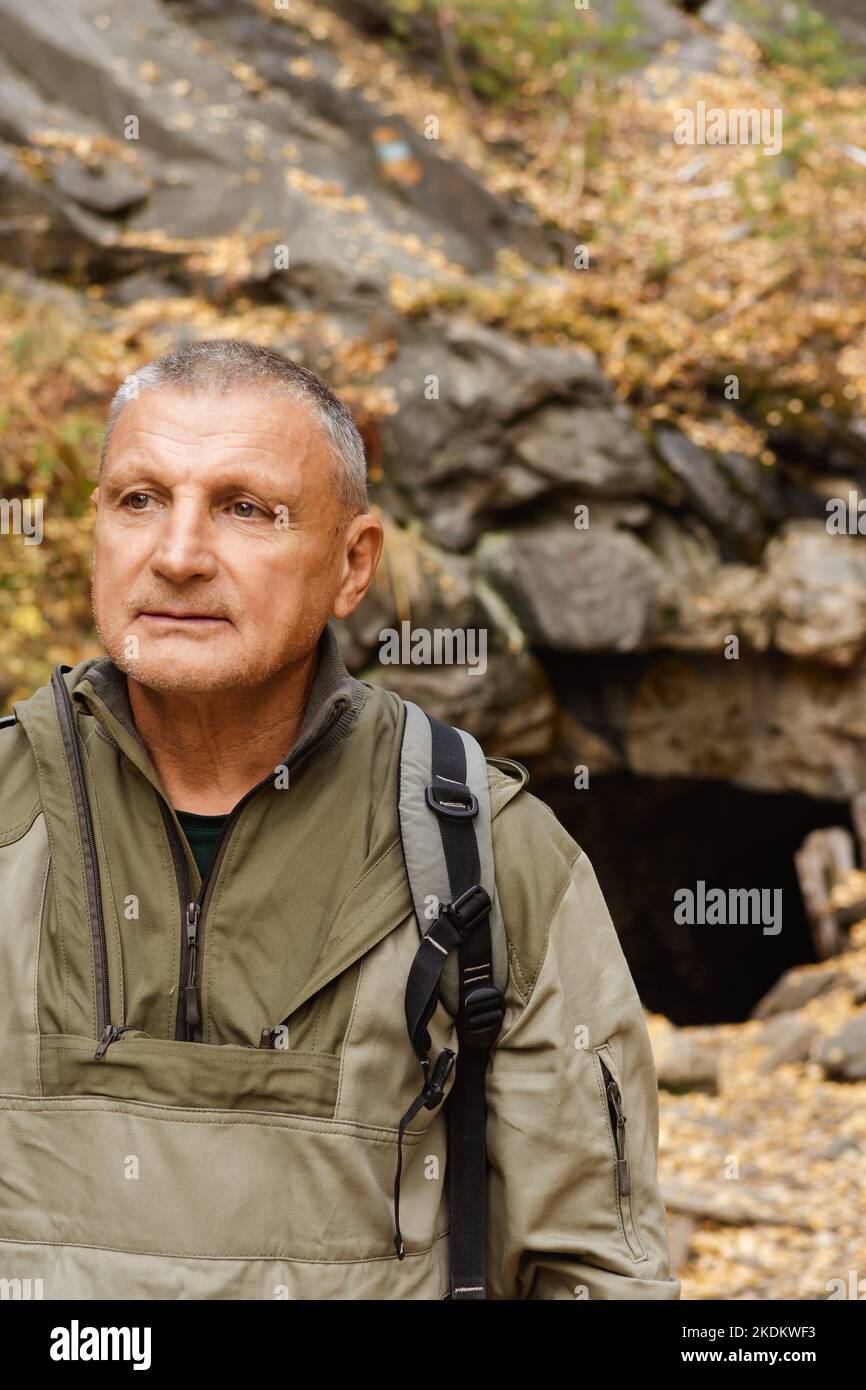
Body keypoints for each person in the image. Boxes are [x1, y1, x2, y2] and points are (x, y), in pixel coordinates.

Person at [0, 338, 680, 1300]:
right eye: (138, 500)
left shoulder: (487, 852)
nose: (179, 556)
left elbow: (595, 1274)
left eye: (246, 509)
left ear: (353, 563)